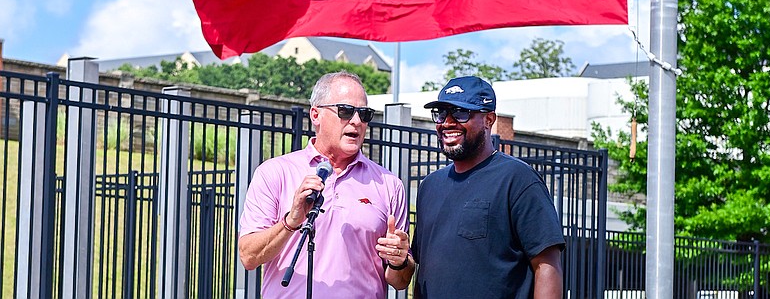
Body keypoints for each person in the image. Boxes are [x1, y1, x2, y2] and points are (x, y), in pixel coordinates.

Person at [238, 70, 414, 298]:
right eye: (345, 111)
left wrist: (400, 262)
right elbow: (249, 257)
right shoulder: (275, 173)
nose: (357, 121)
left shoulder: (389, 184)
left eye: (364, 114)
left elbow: (400, 282)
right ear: (315, 114)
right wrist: (291, 222)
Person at [411, 76, 565, 299]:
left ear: (489, 120)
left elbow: (547, 266)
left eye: (460, 113)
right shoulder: (429, 186)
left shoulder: (518, 179)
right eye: (441, 113)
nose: (447, 122)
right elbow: (423, 271)